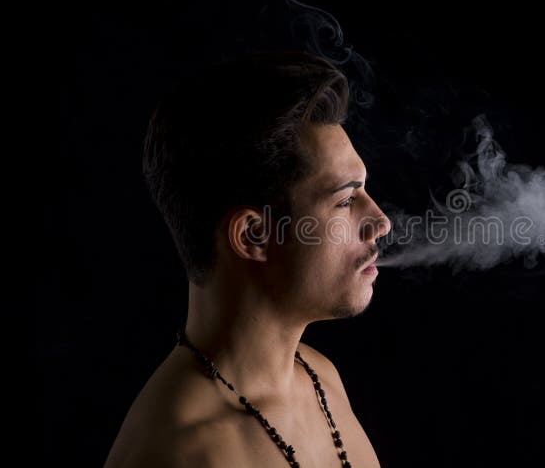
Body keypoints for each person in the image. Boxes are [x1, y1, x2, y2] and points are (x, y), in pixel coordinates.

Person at [103, 51, 390, 467]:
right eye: (346, 200)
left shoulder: (319, 378)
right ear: (254, 235)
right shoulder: (179, 452)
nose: (380, 222)